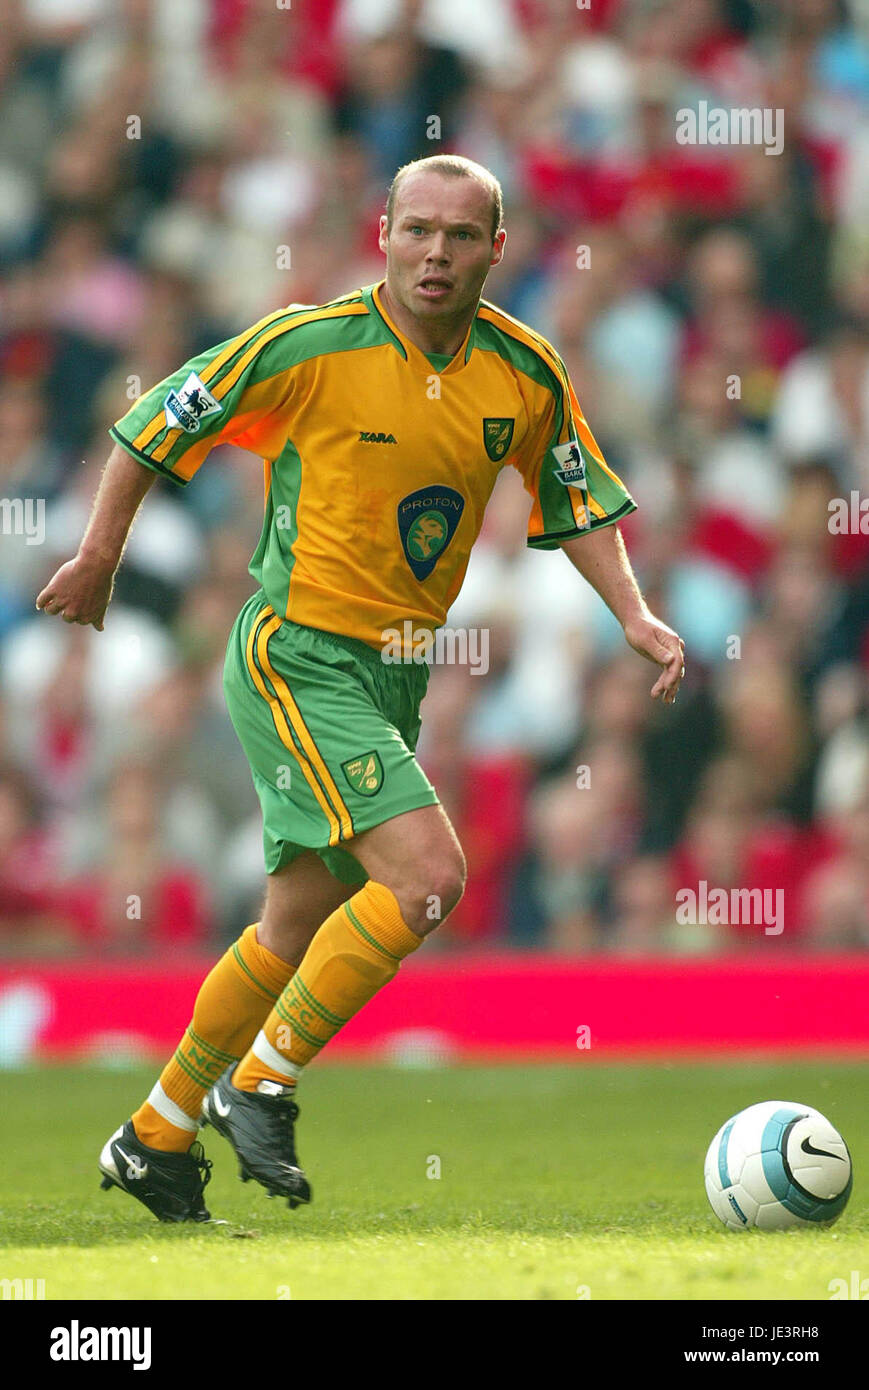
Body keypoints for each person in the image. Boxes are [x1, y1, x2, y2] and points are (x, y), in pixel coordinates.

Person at [36, 154, 685, 1223]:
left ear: (495, 250)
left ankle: (154, 1133)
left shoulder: (523, 372)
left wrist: (631, 611)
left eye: (460, 236)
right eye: (416, 230)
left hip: (394, 673)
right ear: (380, 231)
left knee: (294, 924)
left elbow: (574, 497)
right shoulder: (308, 343)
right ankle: (265, 1078)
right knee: (428, 875)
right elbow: (157, 420)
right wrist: (101, 553)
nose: (435, 253)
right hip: (294, 652)